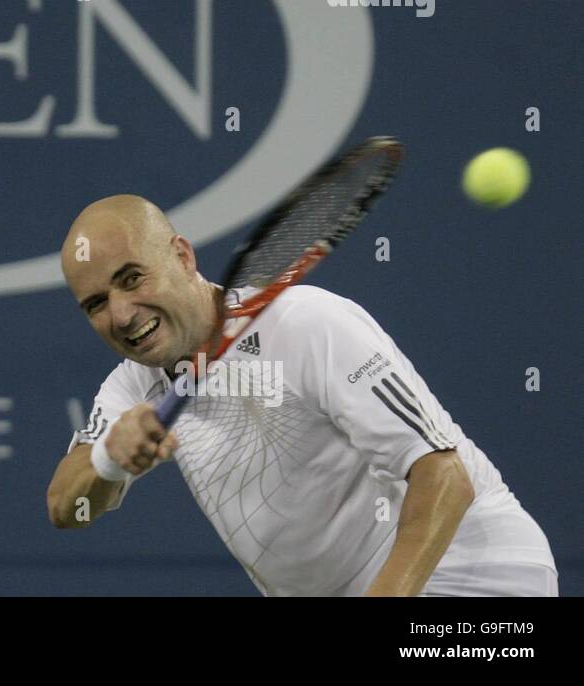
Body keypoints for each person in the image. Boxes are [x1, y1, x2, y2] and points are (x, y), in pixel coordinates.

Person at [47, 194, 558, 597]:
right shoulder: (133, 384)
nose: (120, 314)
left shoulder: (305, 322)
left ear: (181, 256)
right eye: (96, 303)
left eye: (131, 278)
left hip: (476, 578)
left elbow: (445, 476)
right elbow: (65, 508)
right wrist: (109, 460)